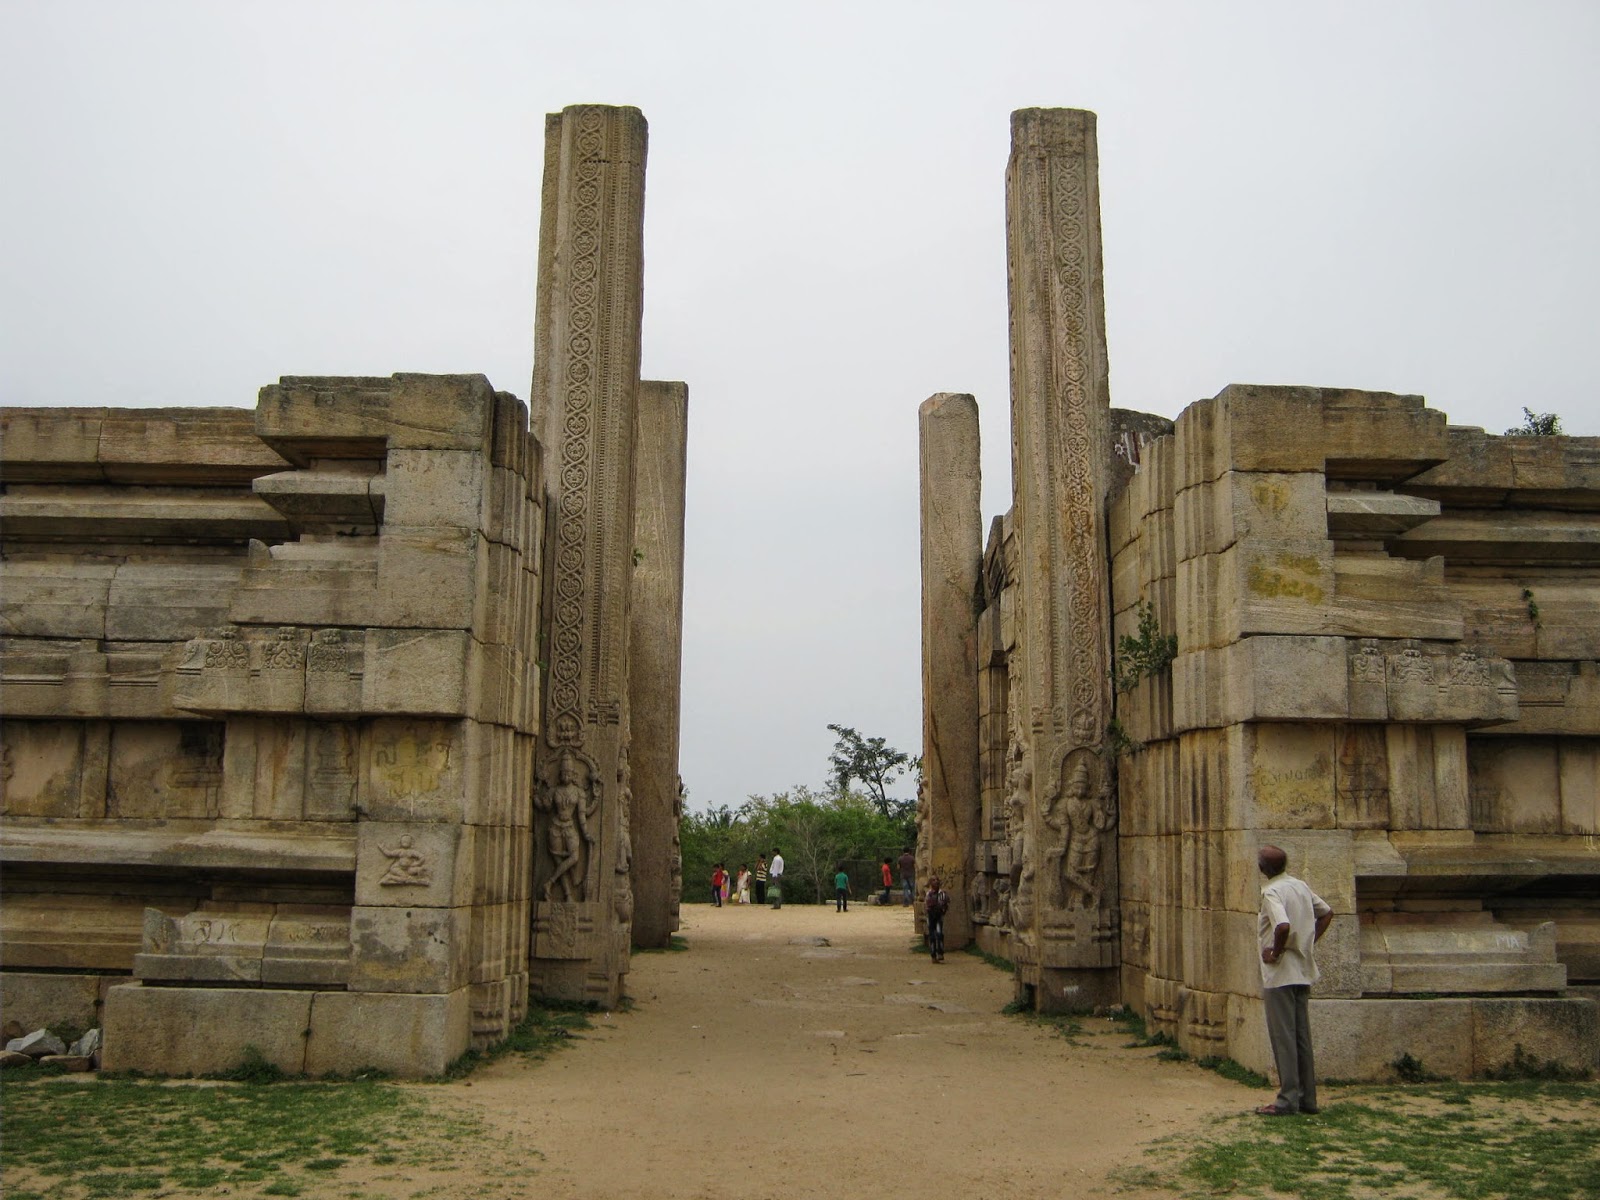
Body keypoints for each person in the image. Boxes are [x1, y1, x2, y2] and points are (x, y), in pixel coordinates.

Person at [1255, 845, 1332, 1116]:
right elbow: (1326, 912)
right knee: (1301, 1035)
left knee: (1283, 1036)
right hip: (1302, 967)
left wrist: (1275, 951)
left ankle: (1287, 1099)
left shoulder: (1271, 891)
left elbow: (1282, 925)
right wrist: (1308, 943)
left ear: (1263, 868)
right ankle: (1307, 1098)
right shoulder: (1299, 885)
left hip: (1280, 973)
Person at [924, 877, 949, 962]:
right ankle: (933, 955)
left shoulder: (942, 893)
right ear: (930, 883)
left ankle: (940, 953)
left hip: (938, 916)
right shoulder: (929, 894)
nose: (936, 882)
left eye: (937, 880)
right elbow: (927, 906)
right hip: (931, 916)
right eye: (933, 880)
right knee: (932, 936)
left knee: (939, 934)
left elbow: (945, 905)